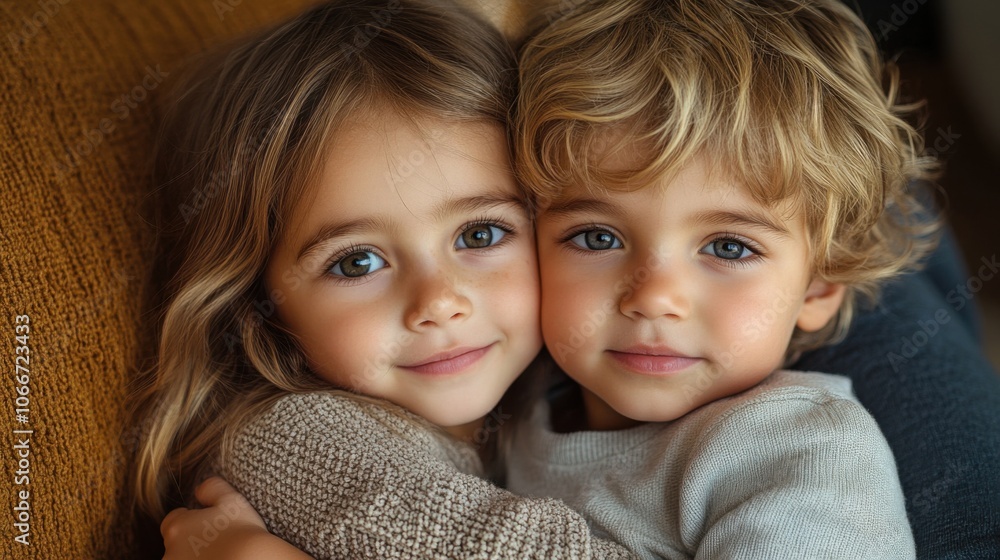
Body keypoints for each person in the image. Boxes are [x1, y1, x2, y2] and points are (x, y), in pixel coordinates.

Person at [136, 0, 637, 558]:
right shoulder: (298, 442)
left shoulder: (557, 392)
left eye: (480, 235)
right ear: (259, 301)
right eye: (357, 263)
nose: (439, 302)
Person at [505, 0, 940, 556]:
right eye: (597, 238)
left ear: (819, 286)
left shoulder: (800, 452)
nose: (655, 298)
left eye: (728, 247)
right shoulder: (518, 397)